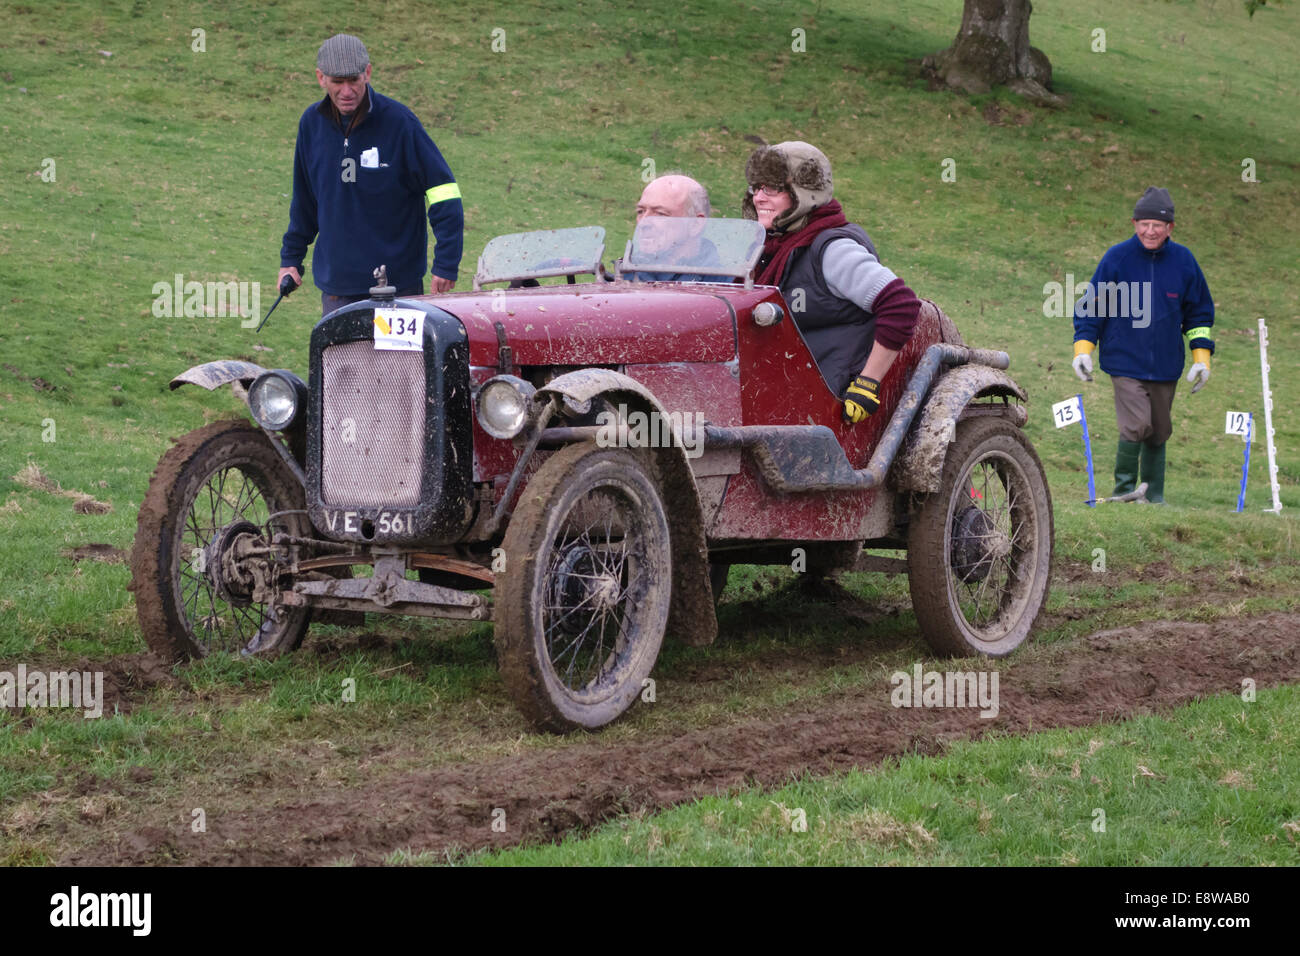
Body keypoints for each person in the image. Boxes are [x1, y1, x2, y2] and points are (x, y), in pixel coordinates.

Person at [278, 34, 464, 316]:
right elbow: (305, 201)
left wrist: (446, 262)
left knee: (400, 363)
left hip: (397, 288)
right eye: (337, 82)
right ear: (321, 78)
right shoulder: (310, 125)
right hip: (337, 289)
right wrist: (291, 259)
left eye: (353, 80)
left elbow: (444, 191)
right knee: (343, 363)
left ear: (368, 73)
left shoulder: (401, 124)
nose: (346, 90)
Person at [742, 141, 921, 422]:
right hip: (783, 390)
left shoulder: (831, 249)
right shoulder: (768, 247)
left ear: (803, 192)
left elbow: (901, 305)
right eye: (757, 187)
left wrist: (867, 385)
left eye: (772, 188)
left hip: (827, 401)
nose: (759, 198)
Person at [1072, 186, 1215, 504]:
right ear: (1134, 223)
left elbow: (1199, 315)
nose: (1150, 231)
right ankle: (1124, 491)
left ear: (1170, 228)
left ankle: (1153, 497)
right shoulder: (1117, 258)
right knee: (1137, 423)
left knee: (1160, 429)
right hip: (1124, 361)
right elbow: (1092, 307)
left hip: (1166, 364)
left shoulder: (1185, 262)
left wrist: (1201, 358)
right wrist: (1083, 350)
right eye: (1144, 224)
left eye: (1158, 225)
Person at [626, 173, 726, 282]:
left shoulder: (726, 288)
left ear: (696, 224)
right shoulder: (623, 279)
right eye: (640, 211)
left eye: (660, 214)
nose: (643, 223)